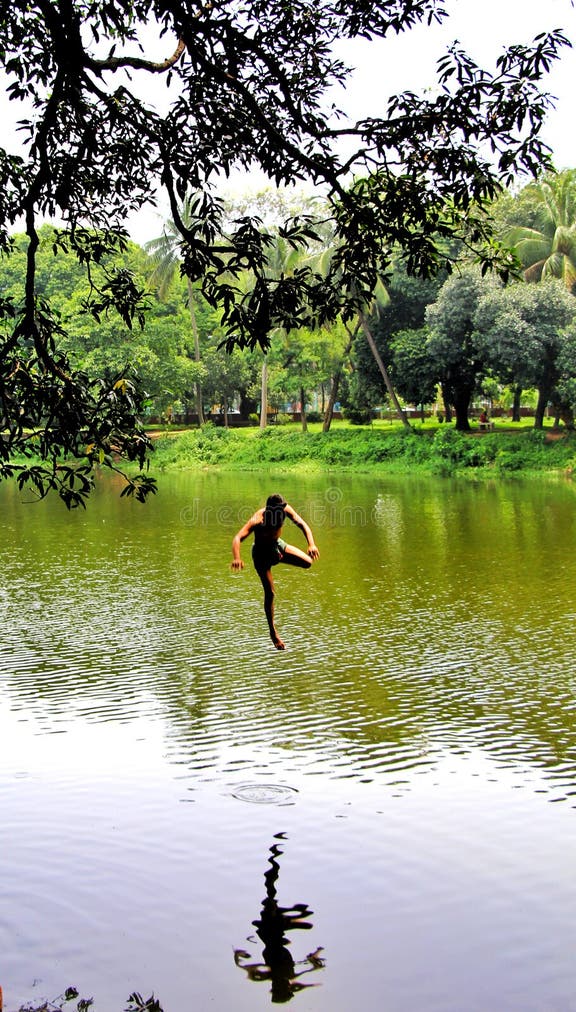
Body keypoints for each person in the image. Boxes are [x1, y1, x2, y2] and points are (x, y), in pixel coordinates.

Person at [231, 493, 319, 649]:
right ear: (269, 510)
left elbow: (303, 525)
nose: (280, 513)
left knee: (308, 562)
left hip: (277, 545)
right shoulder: (258, 519)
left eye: (282, 510)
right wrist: (237, 558)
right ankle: (273, 632)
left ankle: (278, 556)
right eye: (277, 511)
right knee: (270, 593)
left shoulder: (285, 510)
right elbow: (237, 538)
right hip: (261, 555)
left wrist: (311, 544)